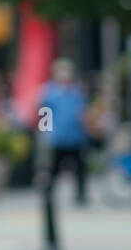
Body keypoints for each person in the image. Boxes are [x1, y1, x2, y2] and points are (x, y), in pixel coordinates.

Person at [37, 58, 91, 205]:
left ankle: (81, 195)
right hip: (57, 137)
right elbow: (44, 113)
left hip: (75, 137)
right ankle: (48, 195)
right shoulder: (49, 92)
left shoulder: (77, 92)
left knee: (80, 169)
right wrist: (46, 133)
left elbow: (83, 112)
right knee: (53, 170)